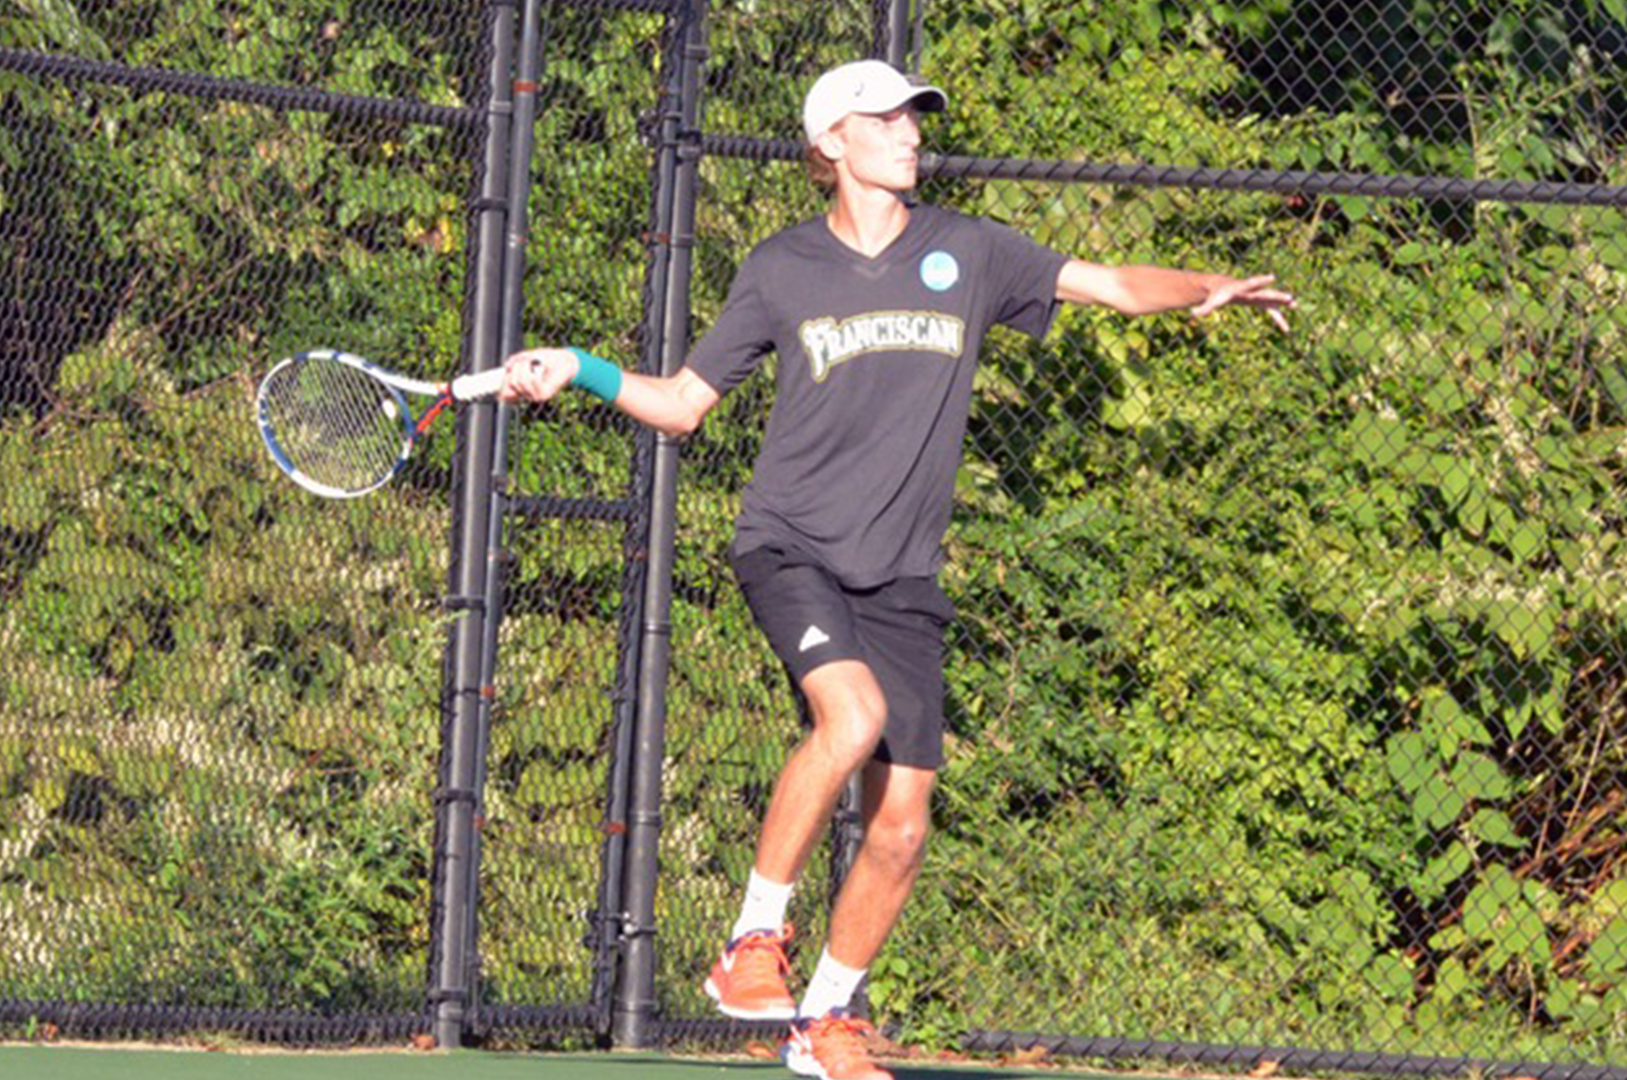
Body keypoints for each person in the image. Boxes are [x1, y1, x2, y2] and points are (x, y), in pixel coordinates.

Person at [495, 59, 1294, 1080]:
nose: (912, 135)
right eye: (887, 120)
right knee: (852, 719)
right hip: (790, 545)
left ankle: (824, 1021)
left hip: (903, 578)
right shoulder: (780, 270)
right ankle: (751, 942)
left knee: (904, 823)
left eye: (917, 120)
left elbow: (1109, 286)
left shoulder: (967, 249)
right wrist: (582, 369)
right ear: (832, 141)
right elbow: (687, 403)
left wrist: (1205, 291)